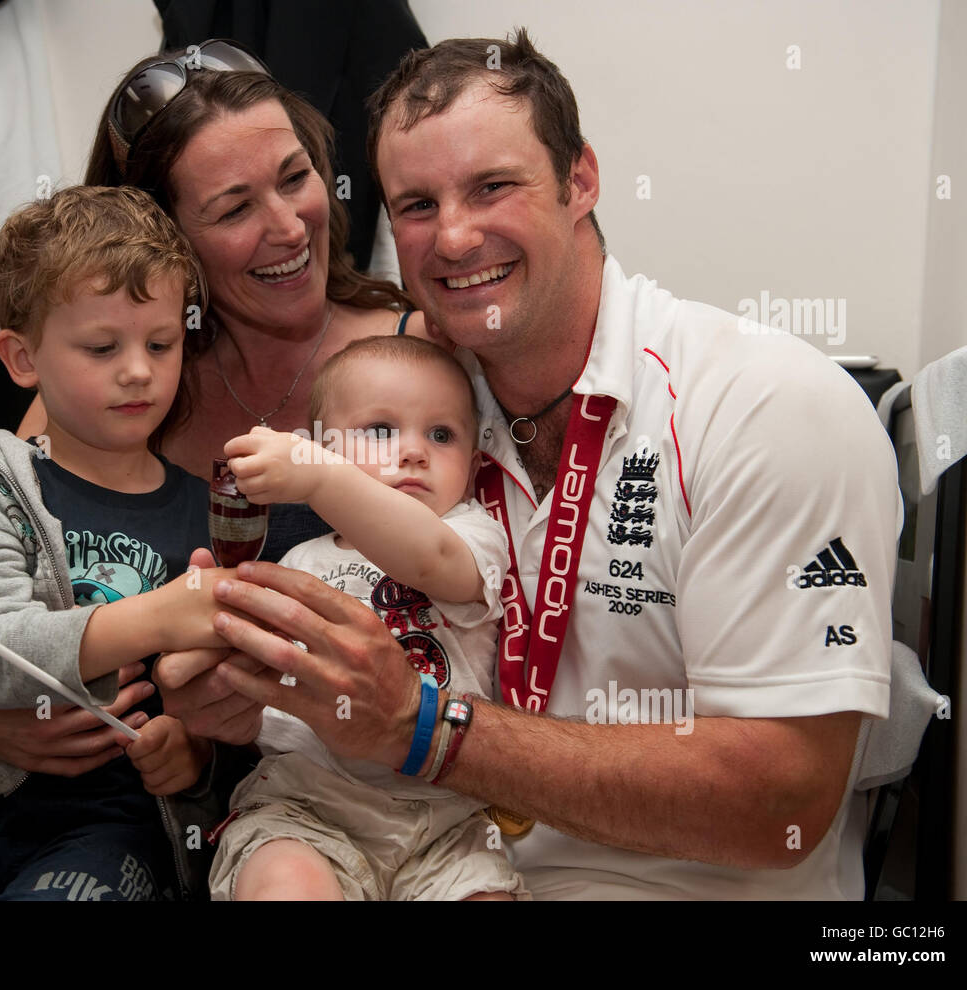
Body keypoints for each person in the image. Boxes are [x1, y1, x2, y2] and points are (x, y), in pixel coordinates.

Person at [157, 30, 902, 900]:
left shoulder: (766, 406)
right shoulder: (426, 399)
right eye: (418, 205)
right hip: (432, 864)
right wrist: (232, 706)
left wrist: (426, 727)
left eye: (492, 187)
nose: (456, 236)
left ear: (580, 179)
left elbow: (784, 797)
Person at [0, 42, 431, 786]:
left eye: (295, 177)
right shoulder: (120, 383)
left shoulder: (417, 358)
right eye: (235, 207)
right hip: (161, 818)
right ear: (164, 240)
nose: (288, 225)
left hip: (369, 797)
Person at [0, 185, 234, 900]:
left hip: (113, 823)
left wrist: (196, 755)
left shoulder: (207, 518)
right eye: (102, 347)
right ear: (21, 358)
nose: (138, 370)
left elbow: (235, 714)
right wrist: (161, 613)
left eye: (161, 343)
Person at [209, 335, 526, 900]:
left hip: (447, 818)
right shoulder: (300, 563)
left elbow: (430, 558)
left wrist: (320, 480)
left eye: (441, 434)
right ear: (323, 446)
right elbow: (255, 681)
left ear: (475, 463)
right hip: (308, 802)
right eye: (381, 430)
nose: (413, 452)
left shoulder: (469, 535)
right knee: (283, 883)